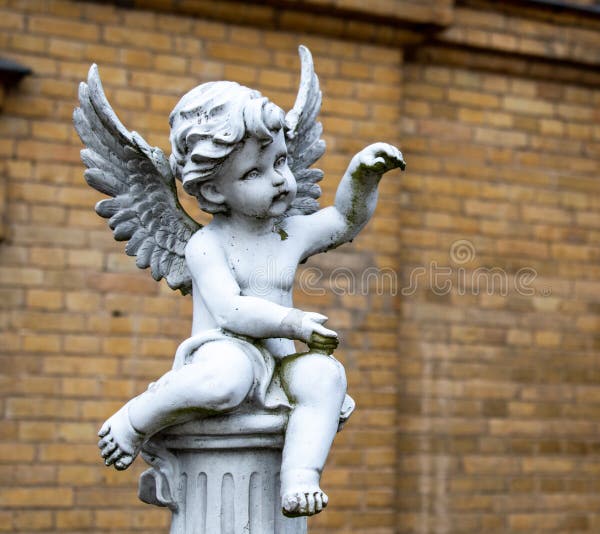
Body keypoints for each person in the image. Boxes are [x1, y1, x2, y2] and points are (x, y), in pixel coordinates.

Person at [96, 80, 404, 517]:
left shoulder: (289, 231)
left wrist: (362, 176)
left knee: (324, 377)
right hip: (224, 351)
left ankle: (300, 476)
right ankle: (136, 418)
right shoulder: (206, 244)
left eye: (280, 160)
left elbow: (342, 221)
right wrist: (293, 323)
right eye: (255, 173)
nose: (280, 178)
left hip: (279, 364)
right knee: (228, 379)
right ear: (215, 191)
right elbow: (231, 310)